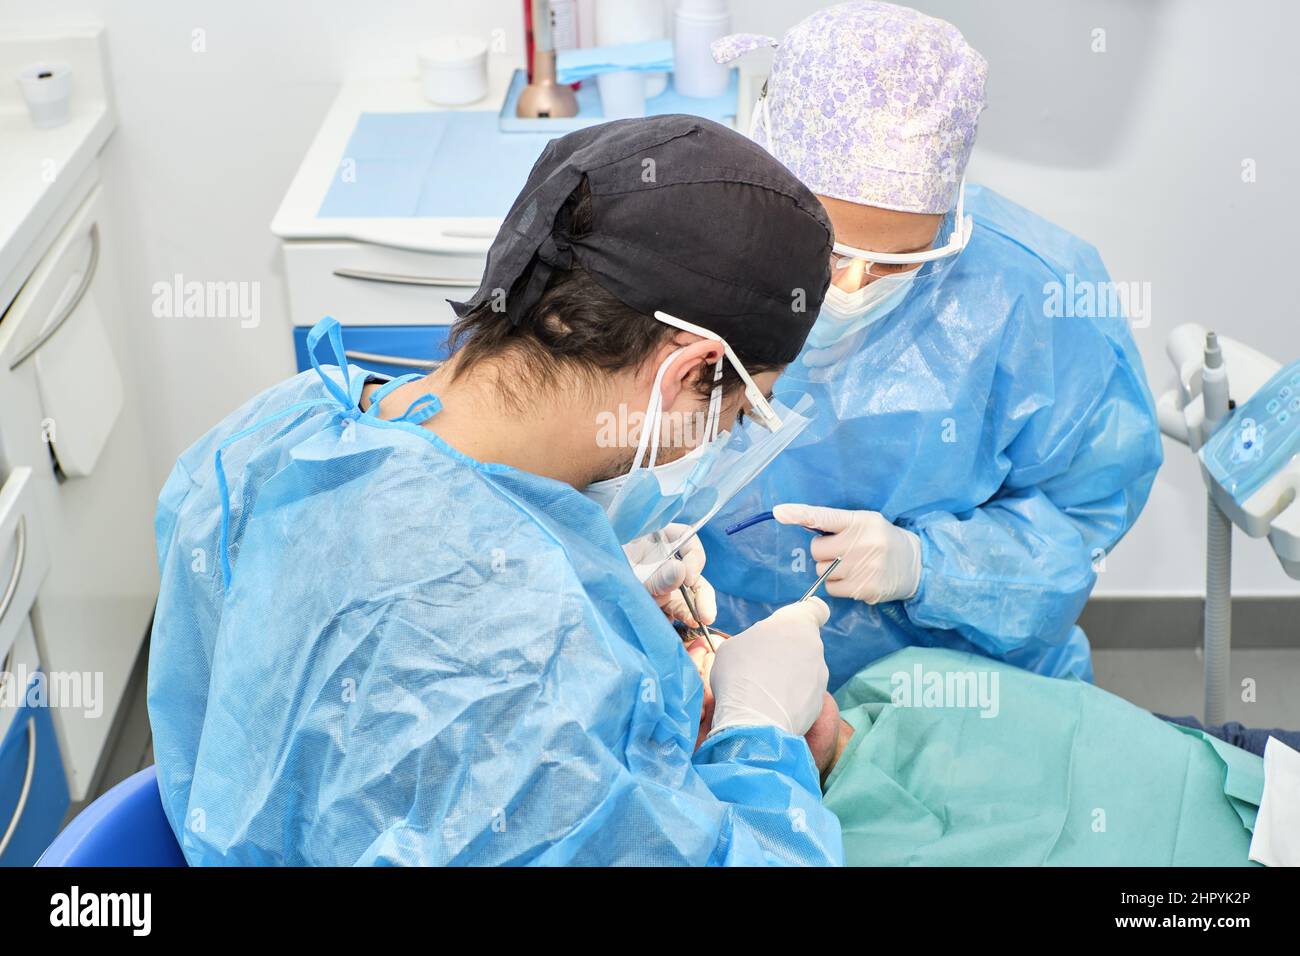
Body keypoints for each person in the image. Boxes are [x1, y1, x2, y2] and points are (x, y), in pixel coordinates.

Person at [147, 115, 846, 866]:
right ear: (685, 373)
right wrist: (761, 734)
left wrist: (591, 585)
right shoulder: (526, 653)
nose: (719, 441)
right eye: (739, 412)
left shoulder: (275, 431)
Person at [703, 2, 1164, 689]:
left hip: (954, 680)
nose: (853, 285)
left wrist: (928, 565)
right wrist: (629, 535)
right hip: (712, 646)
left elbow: (1083, 519)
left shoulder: (1033, 296)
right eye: (828, 247)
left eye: (897, 260)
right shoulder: (682, 245)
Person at [686, 636, 1272, 866]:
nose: (718, 669)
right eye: (696, 711)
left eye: (697, 642)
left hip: (1236, 776)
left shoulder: (898, 681)